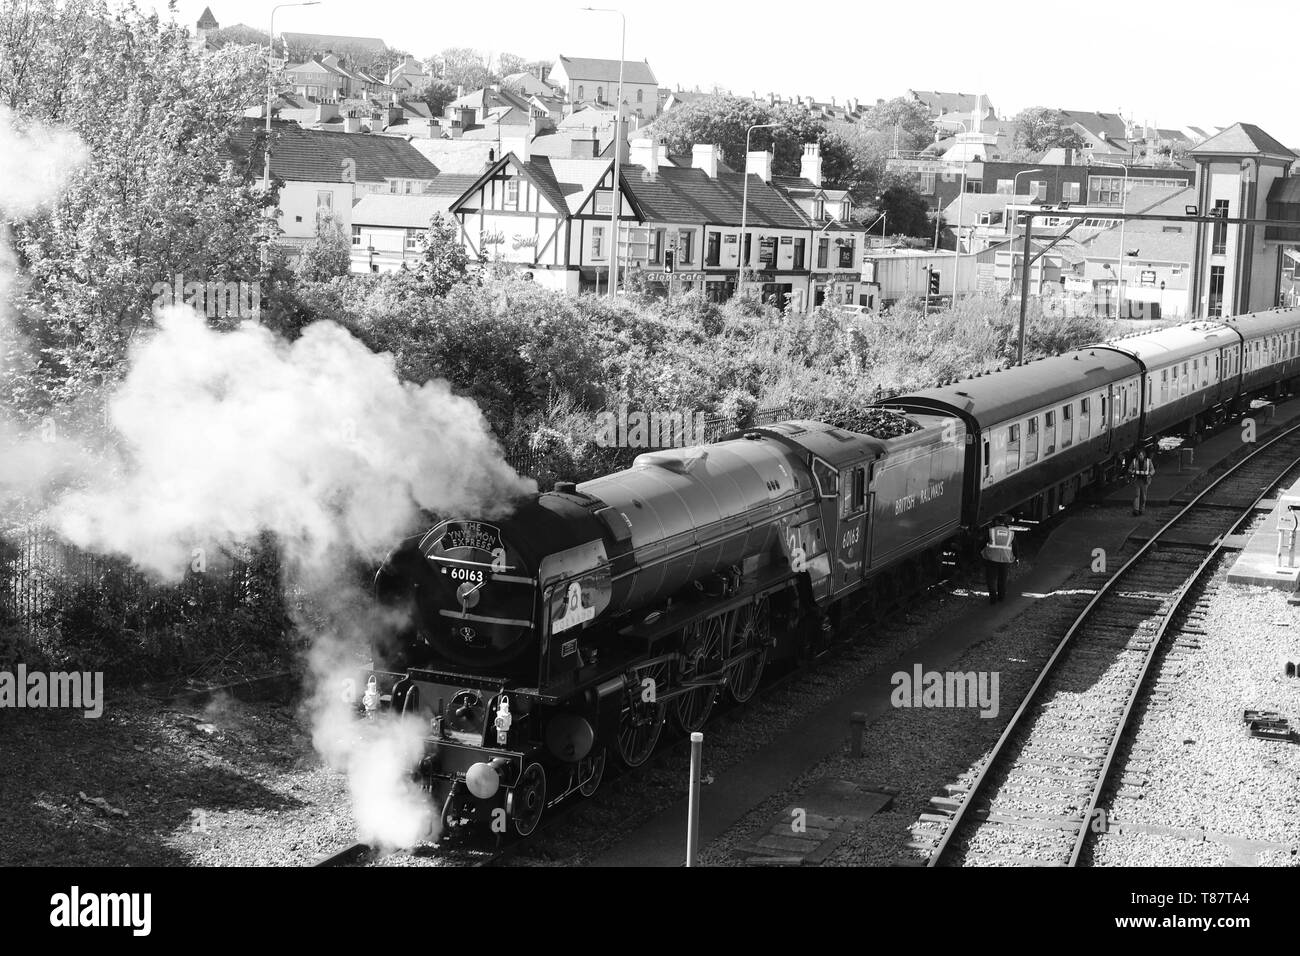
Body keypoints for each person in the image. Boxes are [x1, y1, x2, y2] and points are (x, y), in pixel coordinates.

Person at [981, 514, 1018, 605]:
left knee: (991, 579)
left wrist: (981, 554)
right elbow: (1015, 548)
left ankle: (993, 598)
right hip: (1005, 560)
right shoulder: (1011, 533)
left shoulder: (991, 531)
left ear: (997, 522)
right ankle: (1001, 597)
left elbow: (981, 544)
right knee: (1002, 579)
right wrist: (1017, 558)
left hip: (991, 559)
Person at [1130, 447, 1155, 515]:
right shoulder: (1134, 461)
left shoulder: (1148, 461)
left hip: (1145, 481)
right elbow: (1130, 469)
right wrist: (1132, 472)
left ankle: (1141, 509)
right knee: (1137, 495)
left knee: (1143, 497)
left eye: (1141, 455)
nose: (1140, 456)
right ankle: (1136, 510)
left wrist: (1149, 474)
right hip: (1137, 480)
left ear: (1144, 455)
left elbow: (1152, 470)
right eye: (1139, 455)